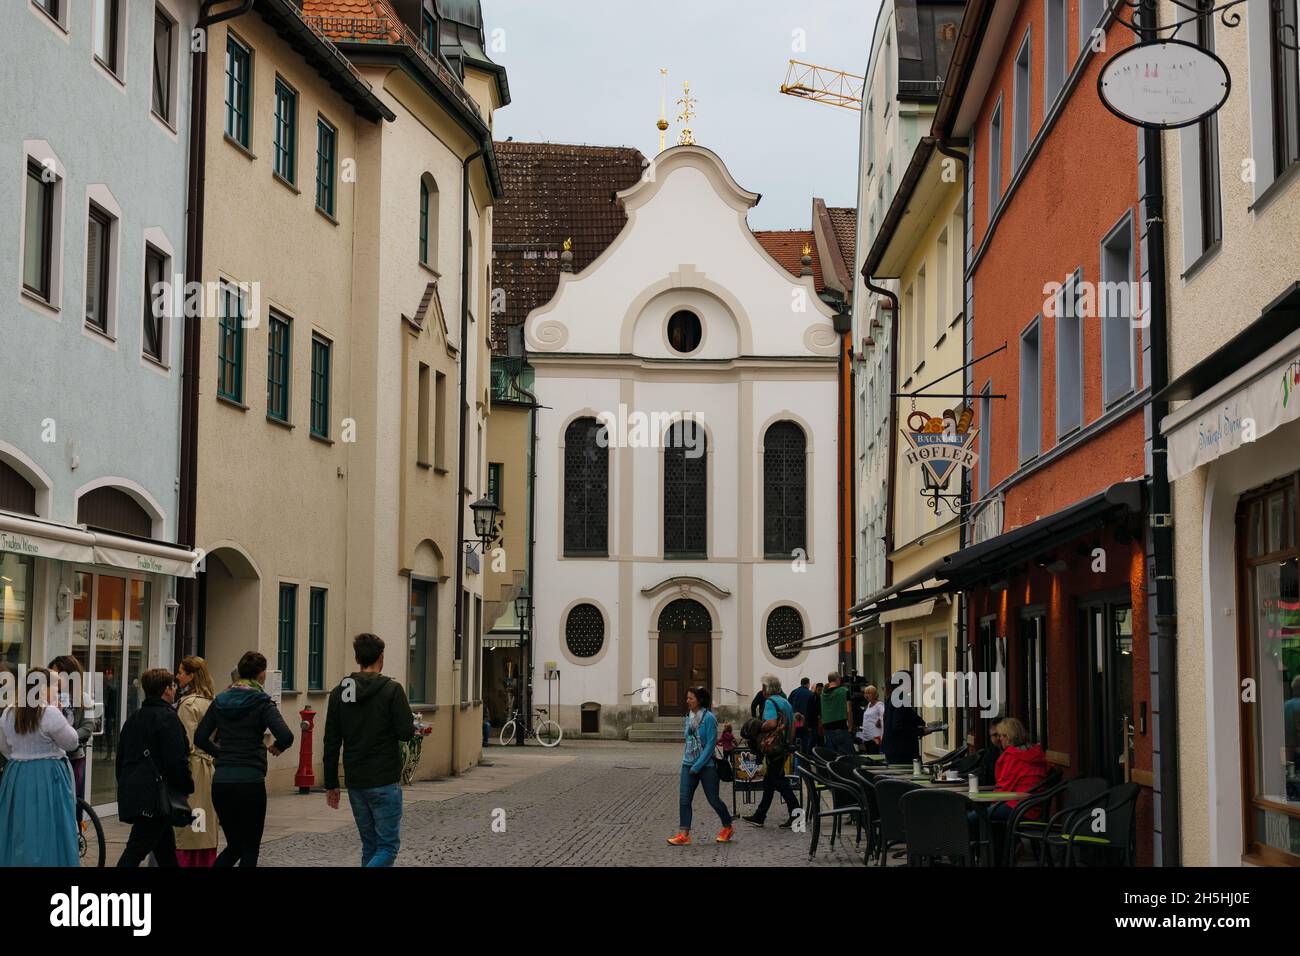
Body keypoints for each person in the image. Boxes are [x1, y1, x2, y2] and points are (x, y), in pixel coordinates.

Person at [323, 633, 416, 867]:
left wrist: (331, 783)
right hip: (384, 777)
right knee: (387, 847)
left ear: (357, 658)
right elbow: (406, 732)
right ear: (381, 657)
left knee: (370, 846)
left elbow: (331, 741)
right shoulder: (392, 690)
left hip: (356, 780)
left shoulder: (340, 692)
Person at [195, 651, 294, 867]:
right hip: (250, 781)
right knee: (249, 848)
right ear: (260, 675)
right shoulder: (262, 702)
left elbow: (200, 737)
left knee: (234, 846)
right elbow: (286, 735)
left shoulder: (220, 700)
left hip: (222, 783)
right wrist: (277, 747)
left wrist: (221, 754)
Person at [0, 667, 80, 866]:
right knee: (50, 826)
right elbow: (72, 742)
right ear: (43, 688)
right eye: (55, 686)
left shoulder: (9, 712)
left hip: (17, 773)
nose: (57, 691)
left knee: (19, 827)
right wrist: (63, 714)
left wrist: (22, 756)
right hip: (48, 774)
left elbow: (4, 747)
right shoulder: (49, 713)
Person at [116, 668, 194, 867]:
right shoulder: (168, 718)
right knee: (135, 850)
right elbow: (177, 760)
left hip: (140, 792)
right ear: (167, 689)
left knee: (165, 851)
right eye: (173, 686)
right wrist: (186, 786)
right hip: (156, 797)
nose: (175, 690)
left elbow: (121, 758)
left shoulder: (133, 719)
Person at [667, 686, 733, 845]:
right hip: (687, 762)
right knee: (684, 799)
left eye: (691, 698)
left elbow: (711, 744)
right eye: (687, 698)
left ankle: (727, 826)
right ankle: (684, 834)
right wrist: (690, 723)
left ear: (699, 700)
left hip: (706, 765)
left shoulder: (709, 718)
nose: (687, 701)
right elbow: (686, 735)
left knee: (713, 799)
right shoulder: (689, 715)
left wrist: (698, 765)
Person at [174, 656, 219, 867]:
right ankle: (202, 860)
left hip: (194, 767)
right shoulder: (210, 701)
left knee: (190, 821)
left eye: (181, 672)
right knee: (203, 821)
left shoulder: (188, 704)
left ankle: (189, 861)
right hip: (208, 767)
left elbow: (187, 741)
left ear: (191, 676)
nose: (177, 676)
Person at [985, 717, 1048, 861]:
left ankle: (982, 856)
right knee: (989, 818)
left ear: (1008, 736)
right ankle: (1007, 851)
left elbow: (1003, 788)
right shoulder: (1035, 752)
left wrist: (988, 800)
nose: (1000, 739)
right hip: (1033, 806)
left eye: (1001, 735)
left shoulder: (1012, 756)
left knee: (973, 818)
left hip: (1017, 807)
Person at [741, 675, 799, 828]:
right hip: (783, 747)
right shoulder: (785, 701)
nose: (762, 690)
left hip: (774, 748)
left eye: (763, 687)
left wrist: (758, 727)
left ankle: (797, 815)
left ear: (767, 689)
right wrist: (788, 743)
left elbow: (771, 723)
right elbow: (793, 725)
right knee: (769, 782)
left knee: (779, 781)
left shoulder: (770, 702)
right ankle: (760, 816)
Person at [47, 656, 95, 805]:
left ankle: (76, 828)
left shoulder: (85, 699)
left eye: (59, 675)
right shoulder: (46, 699)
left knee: (74, 802)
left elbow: (88, 727)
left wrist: (67, 738)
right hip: (50, 758)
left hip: (74, 758)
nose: (56, 680)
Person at [881, 672, 927, 764]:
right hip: (901, 751)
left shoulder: (892, 698)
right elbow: (898, 726)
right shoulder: (901, 699)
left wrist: (920, 722)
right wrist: (921, 731)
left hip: (893, 748)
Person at [822, 672, 854, 755]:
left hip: (827, 729)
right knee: (848, 756)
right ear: (837, 679)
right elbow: (849, 710)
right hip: (840, 727)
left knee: (832, 757)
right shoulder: (844, 691)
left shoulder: (823, 695)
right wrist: (850, 727)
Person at [788, 677, 815, 755]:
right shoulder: (810, 694)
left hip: (796, 719)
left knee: (797, 735)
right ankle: (804, 755)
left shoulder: (794, 692)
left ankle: (796, 754)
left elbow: (789, 703)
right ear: (808, 684)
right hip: (806, 721)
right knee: (805, 737)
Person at [858, 684, 884, 754]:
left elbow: (884, 714)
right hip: (867, 738)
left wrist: (879, 721)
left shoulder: (879, 705)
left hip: (875, 738)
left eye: (869, 693)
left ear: (874, 694)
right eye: (865, 693)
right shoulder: (869, 705)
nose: (866, 695)